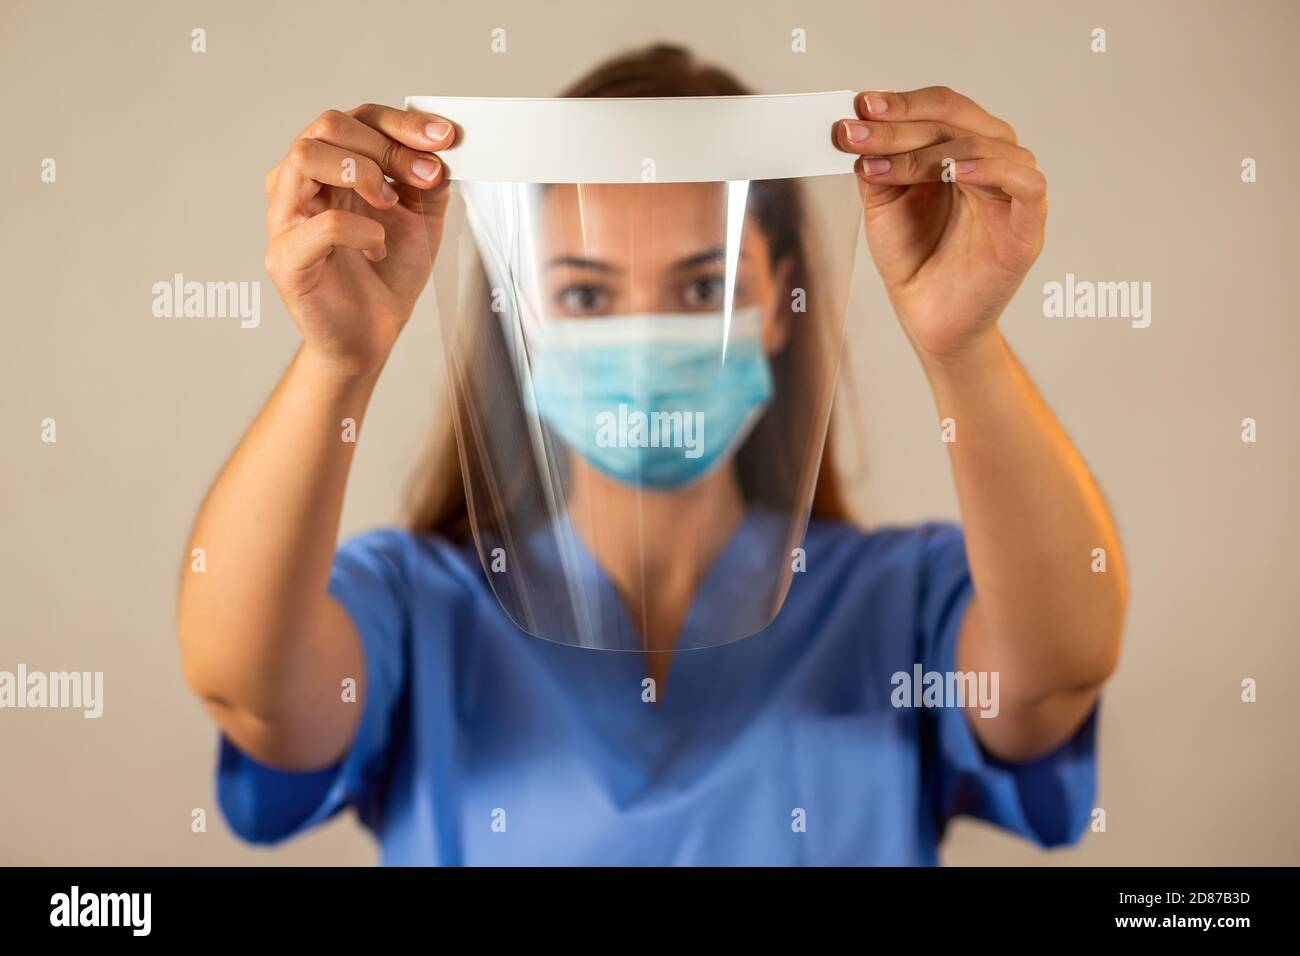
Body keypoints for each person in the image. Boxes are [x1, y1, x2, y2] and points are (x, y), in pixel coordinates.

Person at [178, 45, 1127, 865]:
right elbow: (250, 690)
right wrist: (337, 362)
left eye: (705, 285)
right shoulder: (421, 605)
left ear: (778, 303)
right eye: (587, 297)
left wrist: (963, 345)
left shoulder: (898, 605)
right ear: (522, 318)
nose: (642, 343)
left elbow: (1054, 677)